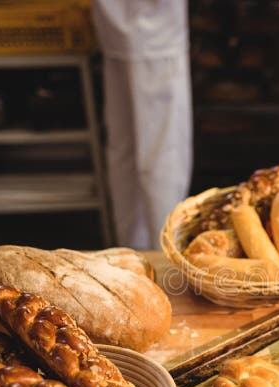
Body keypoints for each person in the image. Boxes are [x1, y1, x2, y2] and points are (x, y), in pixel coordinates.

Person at [92, 0, 193, 249]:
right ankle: (168, 264)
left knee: (123, 151)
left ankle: (131, 259)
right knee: (163, 158)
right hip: (156, 31)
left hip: (114, 26)